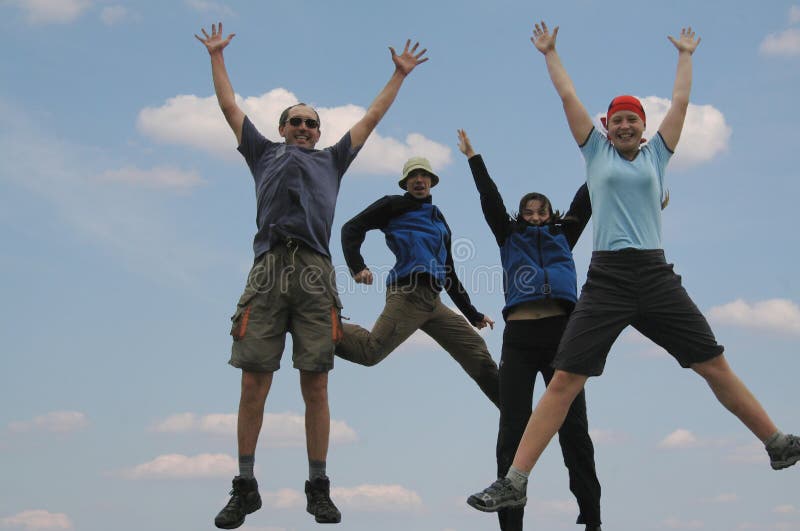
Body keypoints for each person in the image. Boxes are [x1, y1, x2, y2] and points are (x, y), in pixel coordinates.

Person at [467, 21, 800, 515]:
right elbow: (567, 97)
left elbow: (681, 104)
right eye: (617, 120)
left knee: (712, 363)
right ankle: (515, 480)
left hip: (654, 276)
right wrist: (550, 53)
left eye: (633, 120)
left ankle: (776, 442)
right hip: (607, 281)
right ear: (607, 127)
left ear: (644, 128)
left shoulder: (658, 156)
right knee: (564, 381)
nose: (625, 126)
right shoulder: (594, 151)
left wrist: (685, 55)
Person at [194, 22, 428, 529]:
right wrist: (217, 57)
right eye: (295, 122)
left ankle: (318, 486)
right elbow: (230, 108)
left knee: (315, 384)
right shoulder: (262, 154)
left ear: (318, 133)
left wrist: (398, 75)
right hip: (269, 269)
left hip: (315, 273)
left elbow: (370, 119)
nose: (303, 128)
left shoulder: (332, 161)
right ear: (281, 129)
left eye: (311, 124)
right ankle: (245, 486)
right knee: (254, 382)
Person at [457, 129, 601, 530]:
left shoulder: (563, 234)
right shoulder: (509, 235)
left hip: (562, 337)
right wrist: (474, 158)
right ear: (520, 217)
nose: (535, 217)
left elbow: (585, 198)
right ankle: (511, 526)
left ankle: (592, 519)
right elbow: (490, 200)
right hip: (519, 340)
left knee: (575, 430)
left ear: (551, 215)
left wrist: (602, 155)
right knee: (512, 429)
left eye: (542, 212)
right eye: (529, 212)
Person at [336, 156, 500, 406]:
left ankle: (515, 416)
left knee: (476, 351)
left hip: (434, 302)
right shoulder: (394, 205)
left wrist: (472, 314)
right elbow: (352, 228)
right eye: (413, 176)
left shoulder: (438, 219)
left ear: (432, 181)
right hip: (408, 293)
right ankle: (319, 323)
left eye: (424, 176)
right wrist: (357, 265)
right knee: (370, 351)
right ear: (405, 183)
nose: (419, 180)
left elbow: (449, 271)